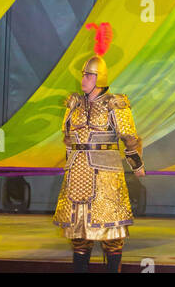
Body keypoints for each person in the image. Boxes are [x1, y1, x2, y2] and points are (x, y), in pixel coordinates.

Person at [54, 22, 145, 272]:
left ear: (99, 78)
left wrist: (137, 165)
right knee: (79, 235)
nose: (83, 79)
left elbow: (129, 138)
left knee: (111, 234)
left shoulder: (115, 104)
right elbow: (68, 141)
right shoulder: (73, 105)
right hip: (77, 175)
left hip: (106, 176)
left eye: (88, 75)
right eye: (83, 75)